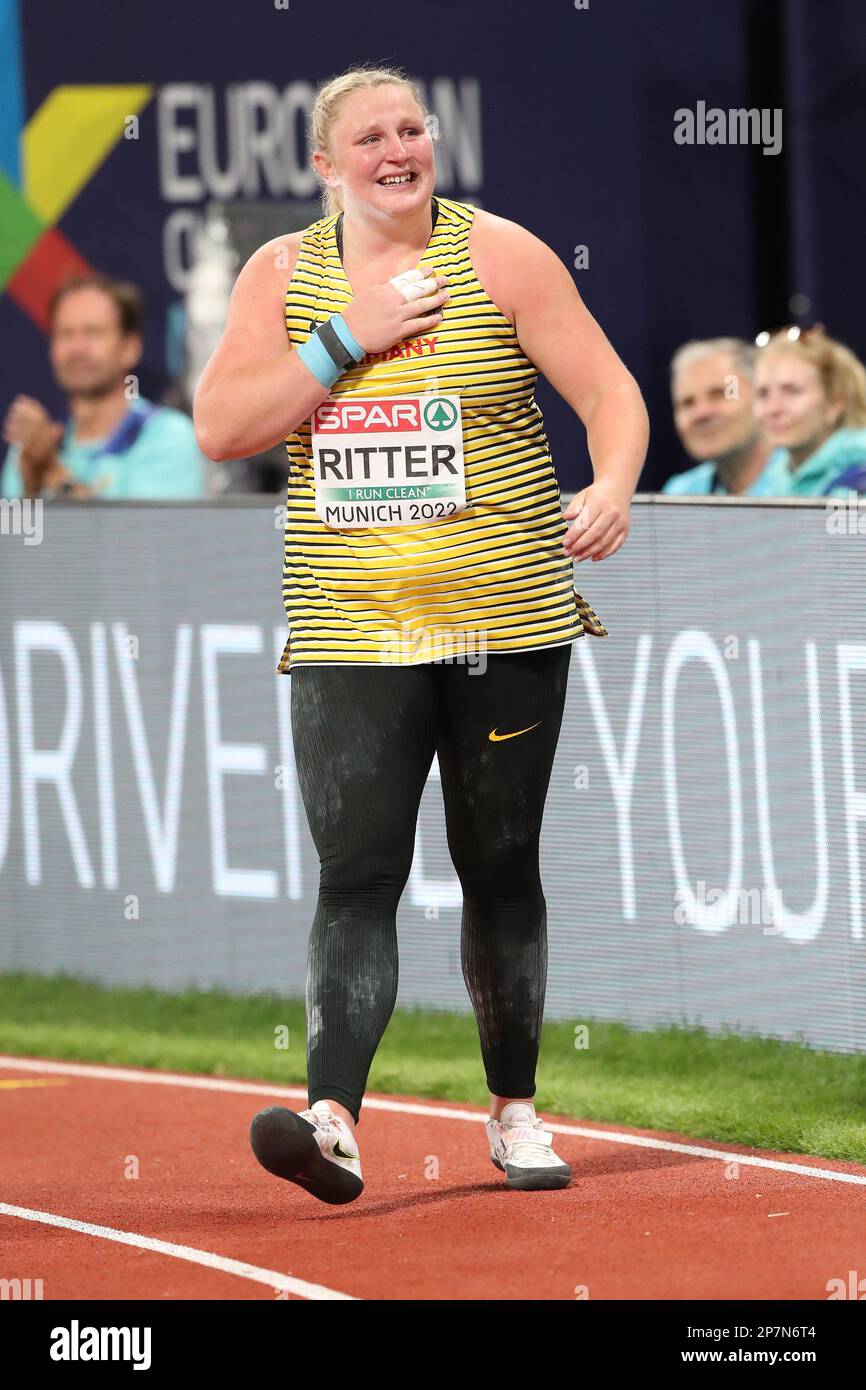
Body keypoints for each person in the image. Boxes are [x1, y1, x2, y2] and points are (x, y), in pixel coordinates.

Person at [194, 64, 648, 1204]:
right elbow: (221, 426)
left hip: (504, 618)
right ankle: (332, 1120)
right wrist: (342, 338)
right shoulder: (283, 274)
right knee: (355, 875)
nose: (398, 149)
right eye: (371, 136)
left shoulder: (500, 255)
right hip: (350, 629)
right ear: (323, 165)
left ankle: (514, 1113)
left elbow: (610, 393)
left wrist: (613, 485)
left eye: (412, 129)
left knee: (498, 868)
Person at [1, 274, 209, 501]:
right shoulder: (32, 448)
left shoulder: (167, 437)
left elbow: (142, 535)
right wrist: (31, 483)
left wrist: (51, 472)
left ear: (131, 347)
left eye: (94, 332)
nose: (77, 348)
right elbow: (17, 536)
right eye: (65, 333)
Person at [751, 326, 866, 497]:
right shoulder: (771, 478)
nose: (773, 408)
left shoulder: (859, 476)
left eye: (791, 391)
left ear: (834, 403)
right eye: (763, 394)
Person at [663, 337, 773, 495]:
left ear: (762, 395)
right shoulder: (681, 495)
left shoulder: (809, 483)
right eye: (687, 403)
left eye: (719, 394)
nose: (701, 413)